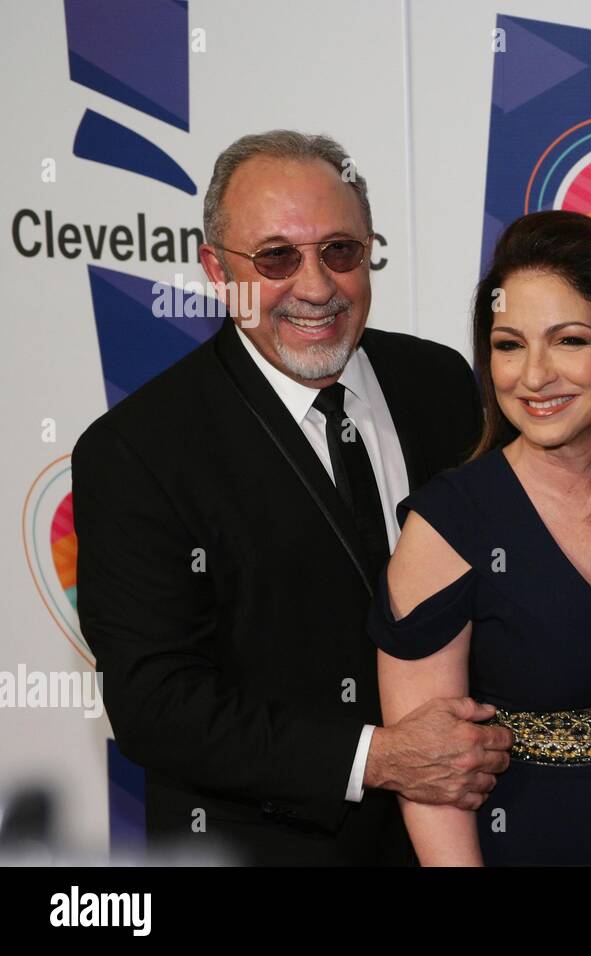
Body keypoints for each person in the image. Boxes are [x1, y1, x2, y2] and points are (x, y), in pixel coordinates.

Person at [72, 131, 510, 866]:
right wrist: (377, 757)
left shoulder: (441, 384)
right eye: (277, 258)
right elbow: (156, 704)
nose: (316, 286)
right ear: (216, 269)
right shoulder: (139, 448)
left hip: (463, 838)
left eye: (340, 250)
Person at [369, 210, 591, 866]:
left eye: (568, 340)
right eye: (509, 344)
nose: (534, 375)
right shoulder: (449, 526)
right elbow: (432, 778)